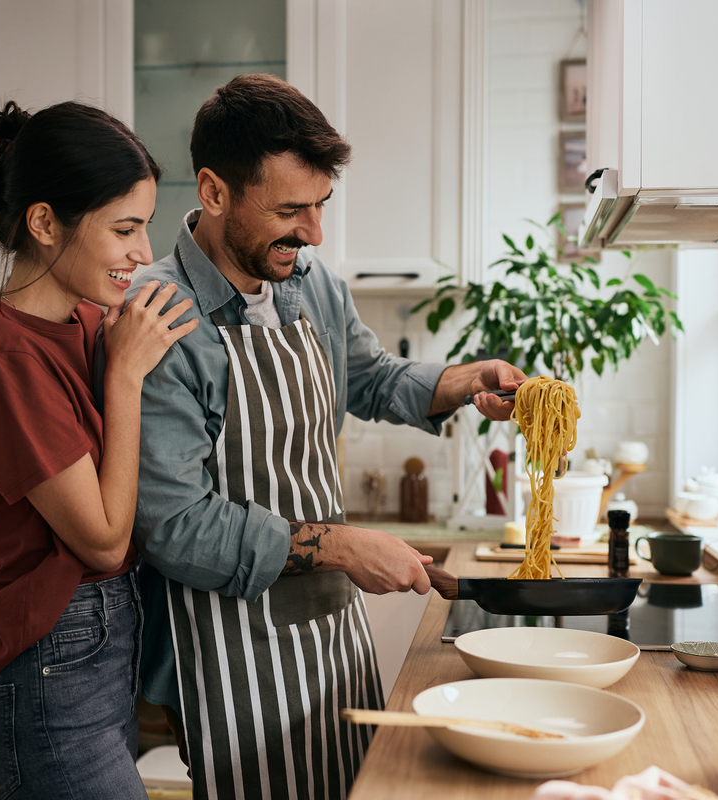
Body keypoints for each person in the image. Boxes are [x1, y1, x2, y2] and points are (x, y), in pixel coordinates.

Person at [99, 74, 524, 800]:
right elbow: (174, 526)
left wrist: (465, 379)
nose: (315, 232)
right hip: (231, 653)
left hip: (331, 630)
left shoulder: (311, 282)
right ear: (214, 191)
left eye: (321, 204)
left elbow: (371, 377)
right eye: (290, 210)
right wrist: (341, 546)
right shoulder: (158, 313)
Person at [0, 100, 198, 800]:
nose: (143, 252)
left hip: (98, 667)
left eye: (145, 226)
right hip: (48, 690)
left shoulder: (88, 321)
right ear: (45, 223)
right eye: (124, 228)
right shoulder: (3, 356)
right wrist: (125, 376)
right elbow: (105, 542)